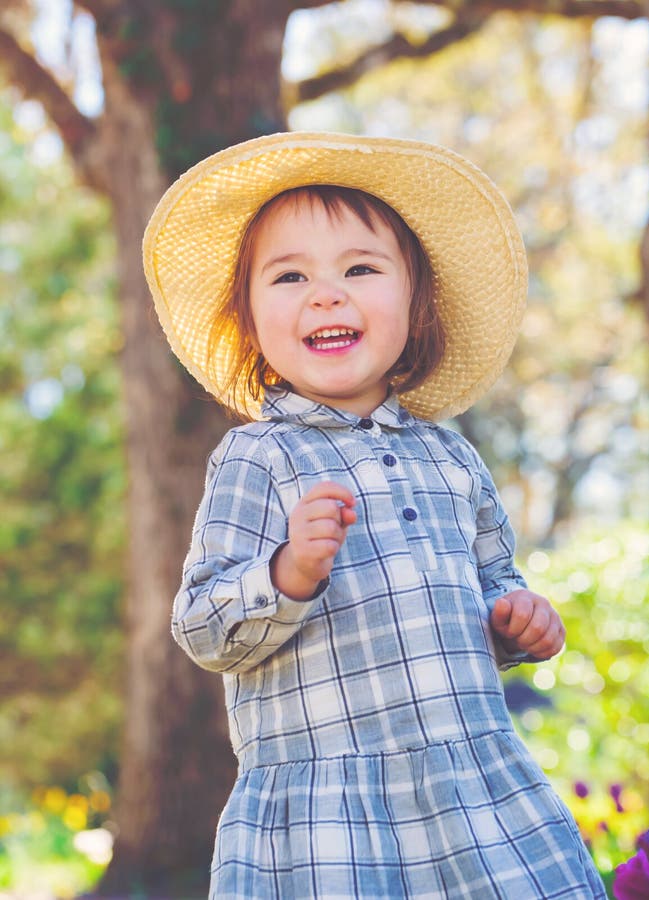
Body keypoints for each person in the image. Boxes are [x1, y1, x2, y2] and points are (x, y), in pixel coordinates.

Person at [143, 132, 606, 899]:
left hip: (472, 789)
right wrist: (286, 574)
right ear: (250, 321)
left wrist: (515, 620)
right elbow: (201, 627)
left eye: (360, 269)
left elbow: (493, 581)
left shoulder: (451, 459)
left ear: (416, 305)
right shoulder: (258, 458)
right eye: (289, 276)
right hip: (329, 815)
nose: (326, 293)